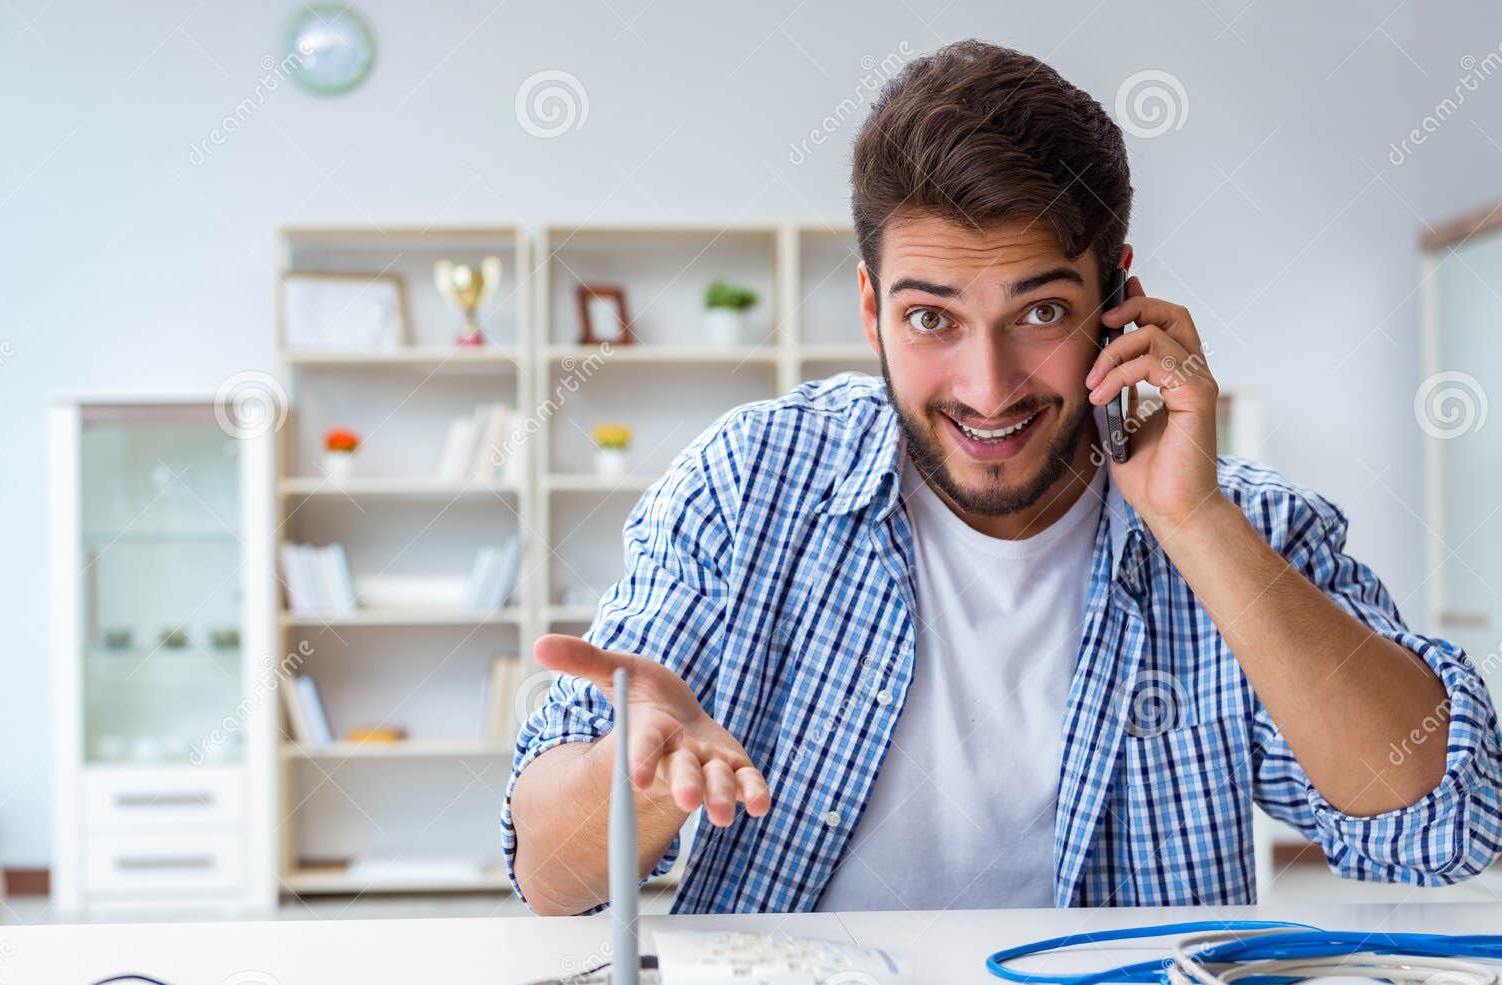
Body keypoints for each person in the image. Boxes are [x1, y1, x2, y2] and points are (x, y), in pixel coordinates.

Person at [503, 39, 1502, 916]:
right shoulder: (747, 484)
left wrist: (1192, 522)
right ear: (871, 310)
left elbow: (1443, 828)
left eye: (1039, 313)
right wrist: (634, 775)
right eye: (931, 318)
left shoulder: (1243, 527)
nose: (986, 389)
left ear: (1118, 298)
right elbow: (550, 879)